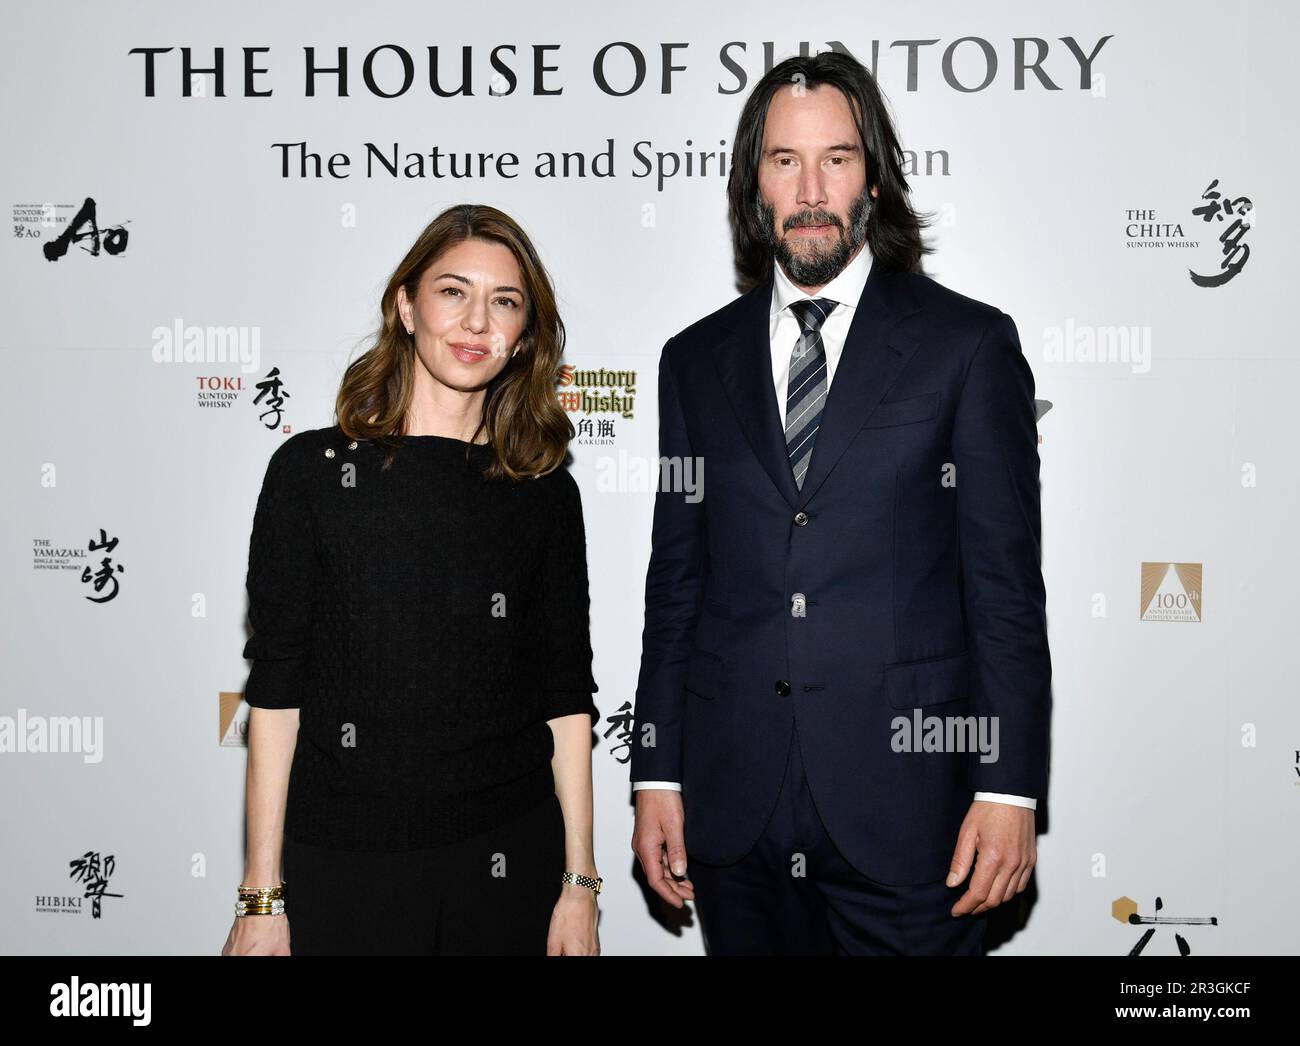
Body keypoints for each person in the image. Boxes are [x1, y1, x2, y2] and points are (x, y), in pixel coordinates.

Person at [629, 51, 1052, 955]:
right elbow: (677, 583)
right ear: (754, 183)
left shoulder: (968, 346)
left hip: (912, 813)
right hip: (736, 809)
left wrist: (1009, 788)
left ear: (876, 176)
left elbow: (1006, 591)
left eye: (838, 158)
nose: (812, 188)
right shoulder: (693, 361)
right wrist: (656, 771)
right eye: (785, 160)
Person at [222, 204, 603, 956]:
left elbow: (565, 697)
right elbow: (275, 692)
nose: (475, 323)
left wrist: (579, 882)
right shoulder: (311, 474)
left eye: (505, 301)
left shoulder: (543, 489)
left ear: (524, 334)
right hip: (345, 864)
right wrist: (262, 893)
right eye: (452, 291)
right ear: (405, 305)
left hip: (509, 864)